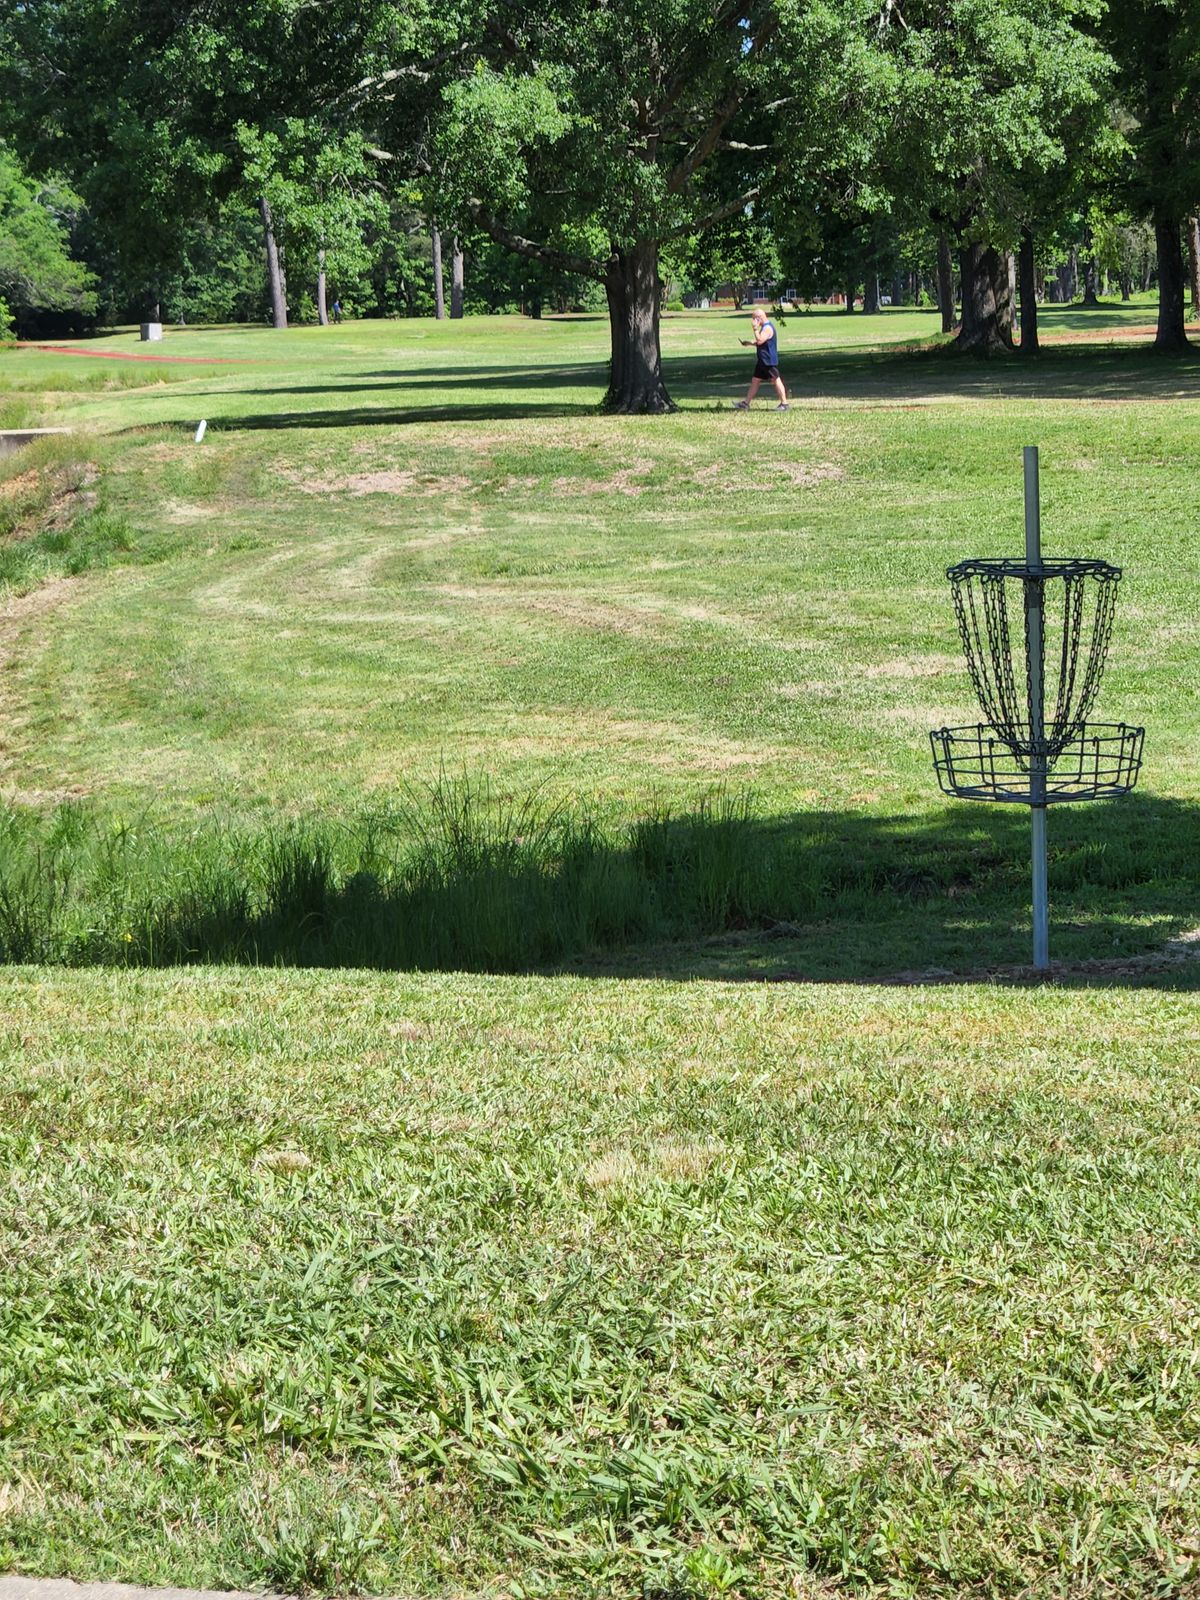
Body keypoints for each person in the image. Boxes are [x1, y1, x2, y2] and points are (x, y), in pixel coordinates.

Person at [734, 308, 788, 410]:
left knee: (776, 380)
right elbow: (762, 342)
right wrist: (749, 343)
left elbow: (760, 340)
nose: (753, 322)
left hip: (768, 361)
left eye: (754, 319)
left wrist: (755, 329)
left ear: (759, 319)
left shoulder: (767, 328)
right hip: (762, 361)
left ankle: (784, 404)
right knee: (755, 380)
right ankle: (746, 404)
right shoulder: (765, 327)